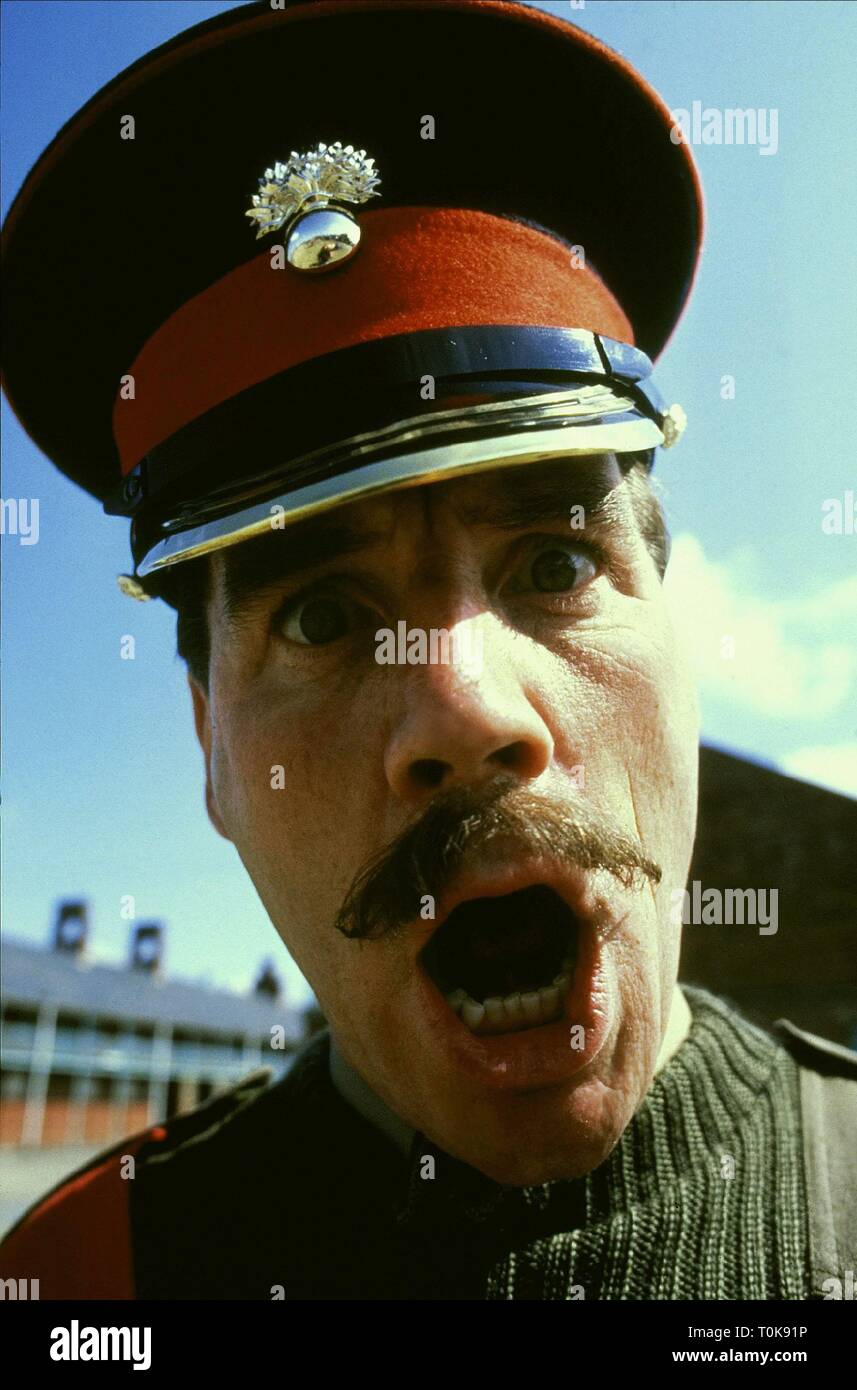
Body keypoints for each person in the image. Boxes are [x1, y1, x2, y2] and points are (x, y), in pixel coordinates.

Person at [1, 0, 854, 1301]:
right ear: (209, 750)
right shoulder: (81, 1291)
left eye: (555, 564)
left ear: (677, 627)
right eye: (324, 618)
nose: (462, 708)